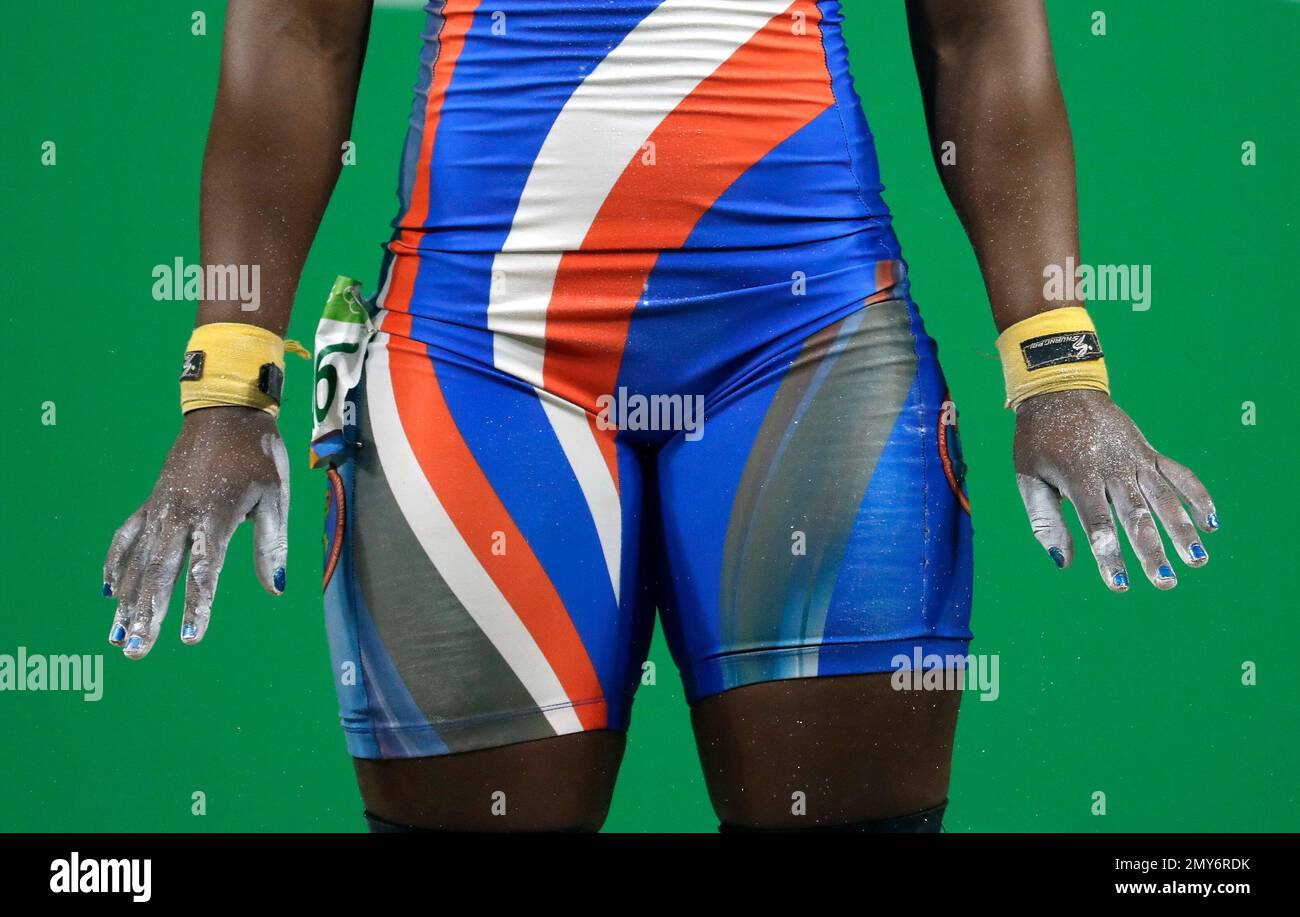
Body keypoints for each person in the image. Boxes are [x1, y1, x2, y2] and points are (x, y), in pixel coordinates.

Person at [102, 0, 1218, 833]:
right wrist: (225, 384)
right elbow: (297, 35)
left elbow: (978, 33)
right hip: (478, 354)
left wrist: (1058, 365)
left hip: (806, 337)